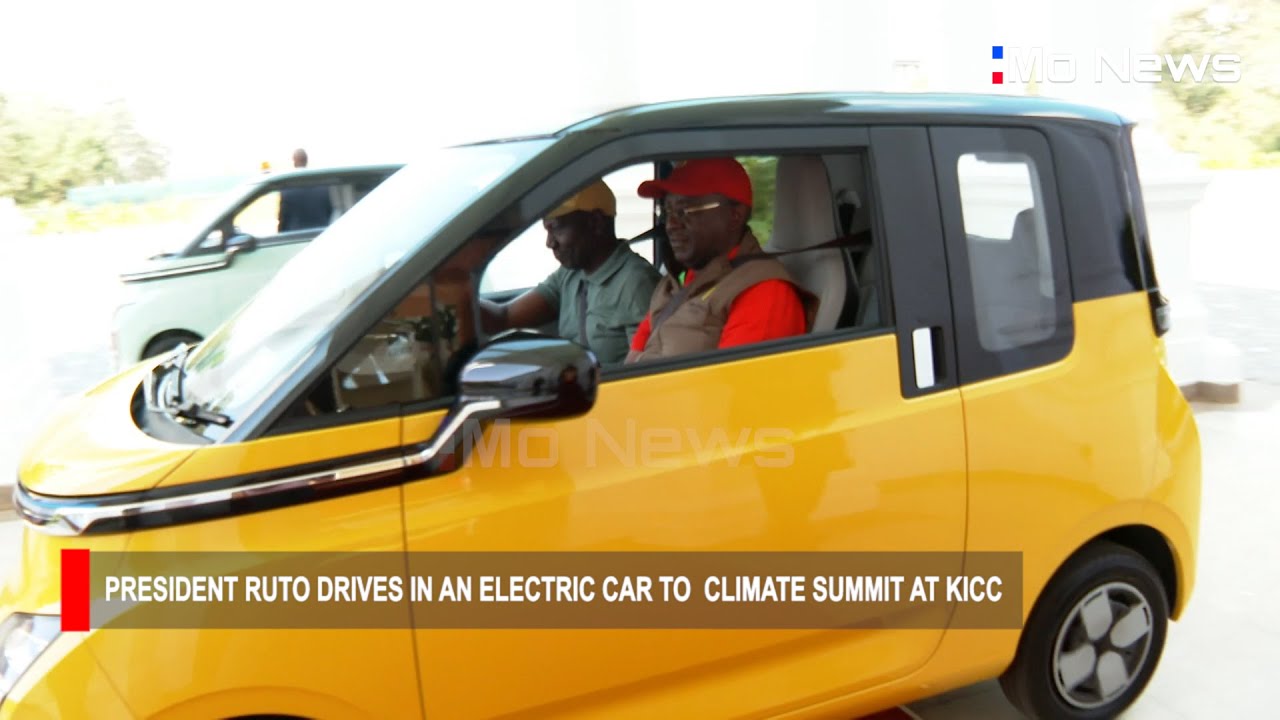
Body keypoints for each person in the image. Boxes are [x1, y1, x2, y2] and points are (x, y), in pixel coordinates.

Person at [626, 158, 810, 363]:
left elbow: (732, 382)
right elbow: (632, 358)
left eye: (684, 211)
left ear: (735, 215)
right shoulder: (680, 279)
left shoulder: (765, 292)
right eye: (667, 211)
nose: (670, 224)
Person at [479, 180, 660, 366]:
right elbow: (504, 317)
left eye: (556, 228)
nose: (550, 243)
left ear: (595, 222)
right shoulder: (570, 274)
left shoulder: (637, 283)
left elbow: (646, 368)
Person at [277, 147, 333, 232]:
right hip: (321, 233)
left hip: (295, 235)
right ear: (306, 160)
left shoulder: (287, 190)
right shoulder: (323, 187)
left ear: (294, 161)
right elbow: (329, 212)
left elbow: (283, 219)